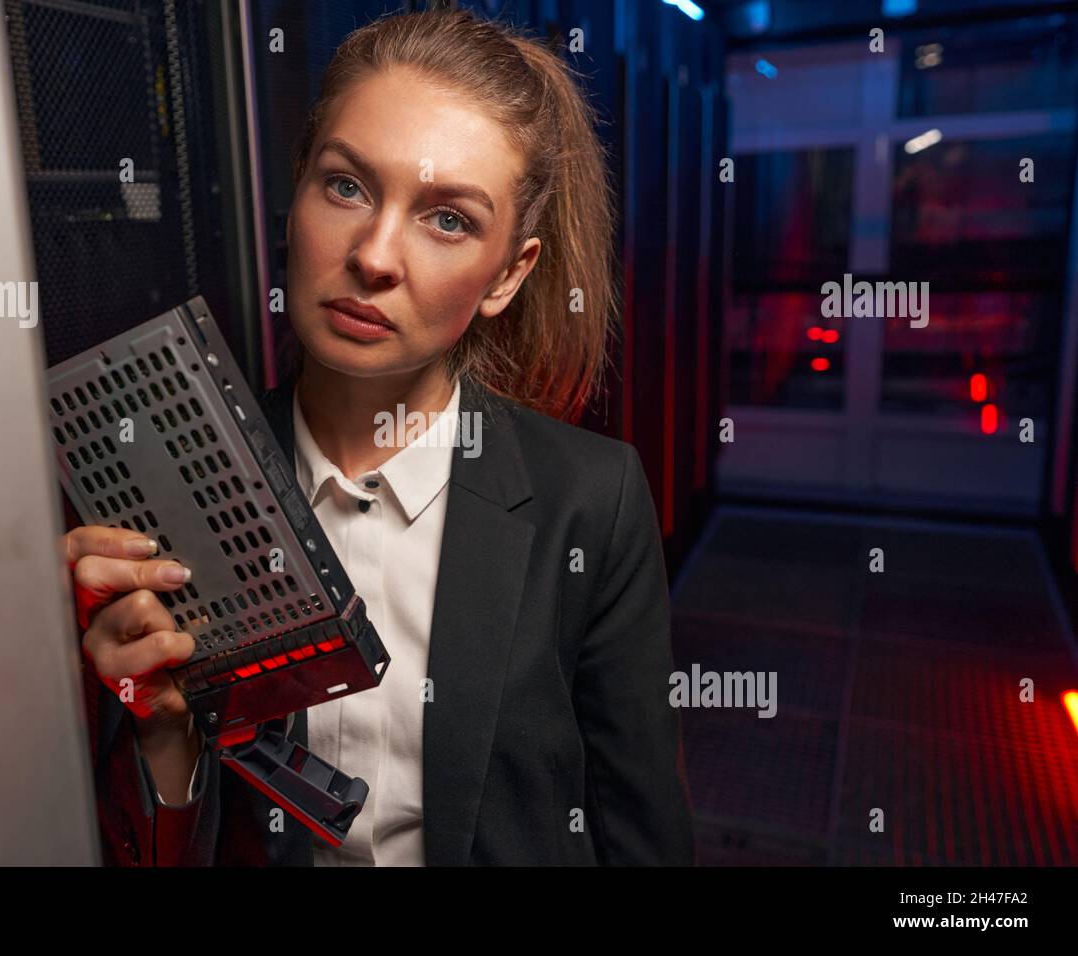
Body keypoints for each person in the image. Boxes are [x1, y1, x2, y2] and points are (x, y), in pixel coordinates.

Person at [64, 8, 694, 866]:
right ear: (294, 194)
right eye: (348, 186)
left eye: (448, 220)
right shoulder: (175, 487)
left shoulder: (590, 501)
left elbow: (642, 833)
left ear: (509, 274)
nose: (375, 256)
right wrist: (162, 735)